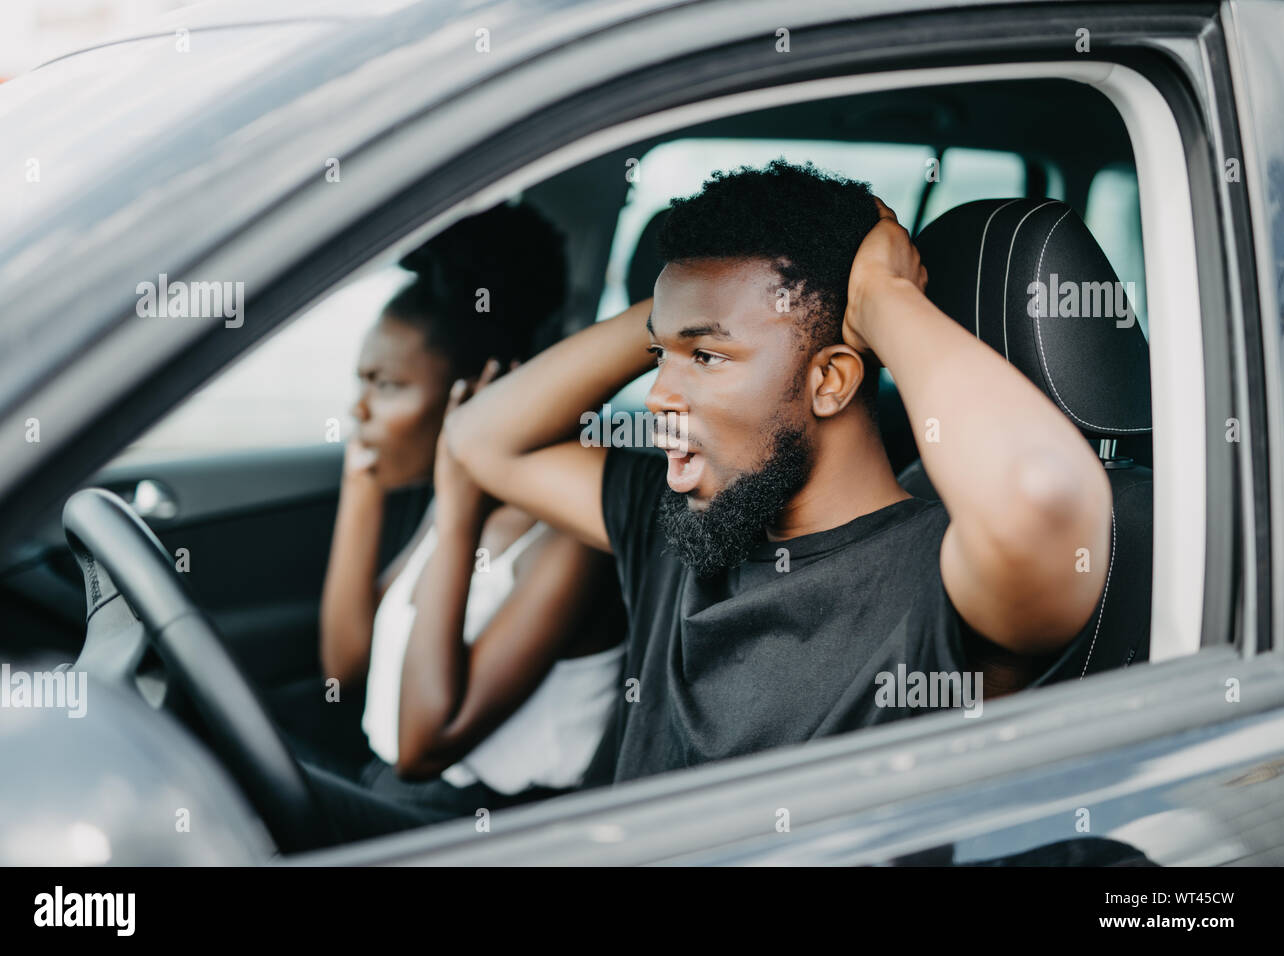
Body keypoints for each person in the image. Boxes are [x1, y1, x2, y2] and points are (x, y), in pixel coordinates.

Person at [445, 159, 1114, 785]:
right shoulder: (694, 521)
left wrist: (882, 297)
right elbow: (481, 440)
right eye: (658, 355)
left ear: (830, 381)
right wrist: (674, 316)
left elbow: (1038, 496)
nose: (656, 394)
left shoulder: (941, 577)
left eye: (706, 357)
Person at [308, 202, 626, 830]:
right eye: (361, 380)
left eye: (387, 385)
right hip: (393, 792)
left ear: (478, 387)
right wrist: (362, 488)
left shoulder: (569, 535)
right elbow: (347, 669)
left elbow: (428, 745)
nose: (360, 408)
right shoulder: (453, 499)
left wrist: (458, 506)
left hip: (492, 830)